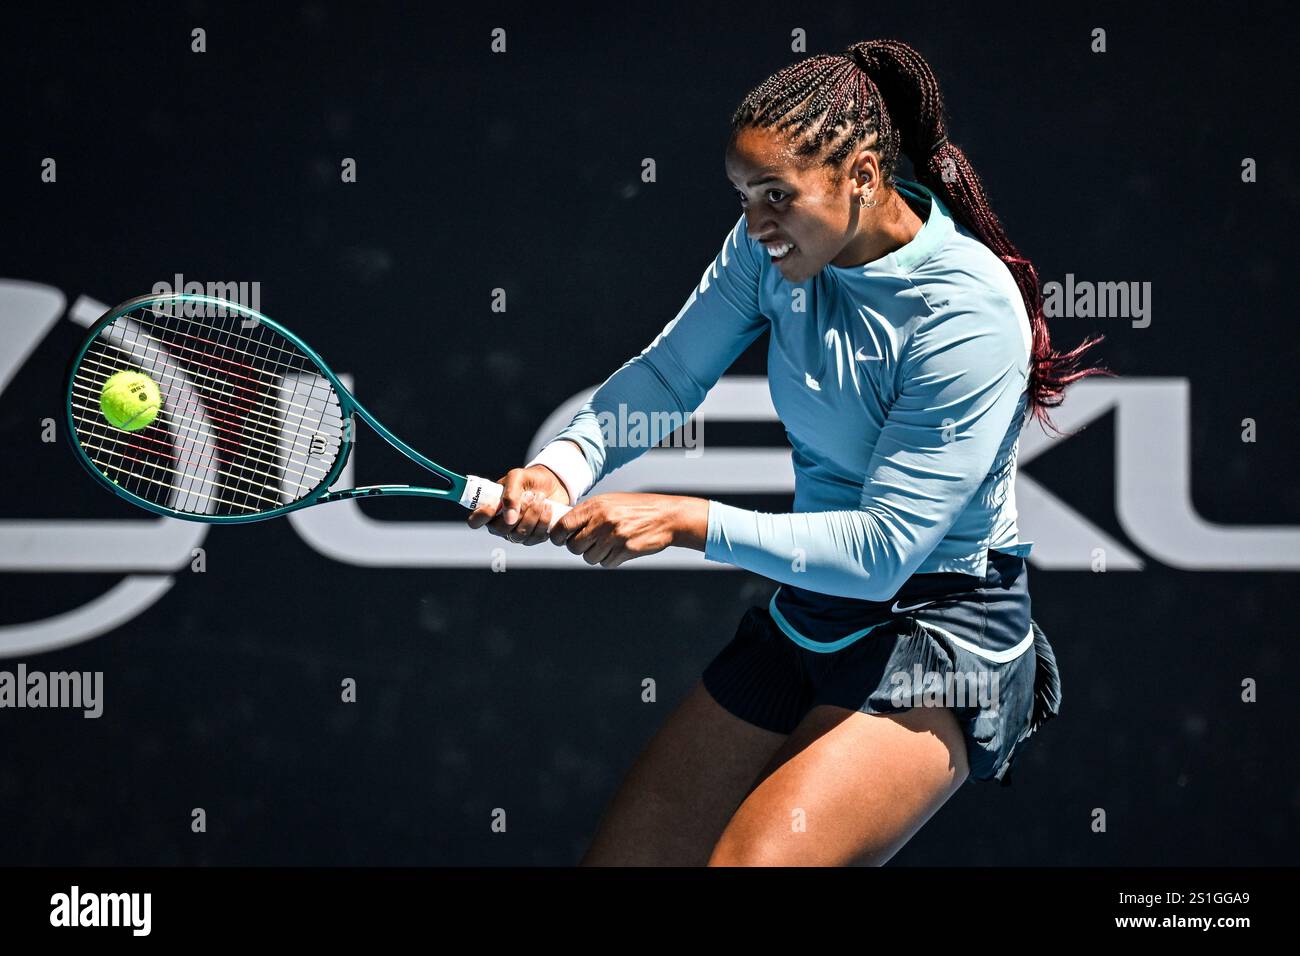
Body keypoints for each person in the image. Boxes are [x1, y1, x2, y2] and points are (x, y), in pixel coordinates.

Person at [467, 38, 1104, 866]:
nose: (755, 224)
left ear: (864, 176)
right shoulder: (767, 251)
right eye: (741, 197)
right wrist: (564, 465)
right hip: (811, 611)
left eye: (776, 195)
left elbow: (882, 554)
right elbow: (667, 376)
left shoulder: (967, 311)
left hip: (941, 628)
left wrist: (687, 520)